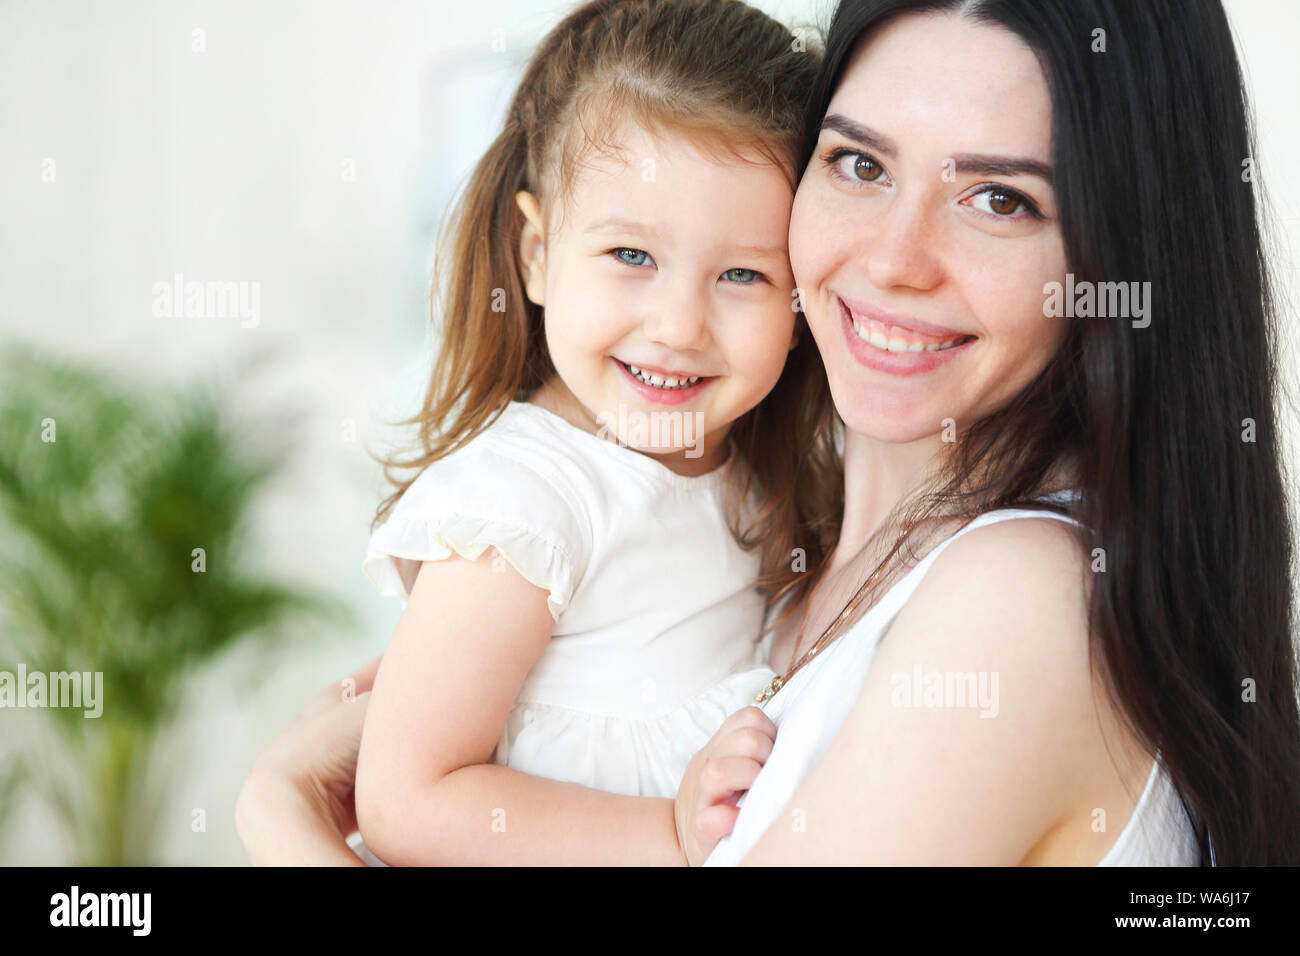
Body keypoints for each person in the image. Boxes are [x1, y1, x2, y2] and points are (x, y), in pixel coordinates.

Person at [237, 0, 1300, 866]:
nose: (893, 259)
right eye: (860, 166)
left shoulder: (1021, 599)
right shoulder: (770, 555)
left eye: (997, 199)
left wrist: (286, 824)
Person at [341, 0, 833, 867]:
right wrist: (666, 832)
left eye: (744, 274)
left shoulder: (753, 477)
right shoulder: (524, 502)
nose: (680, 326)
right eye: (631, 257)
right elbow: (406, 800)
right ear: (536, 254)